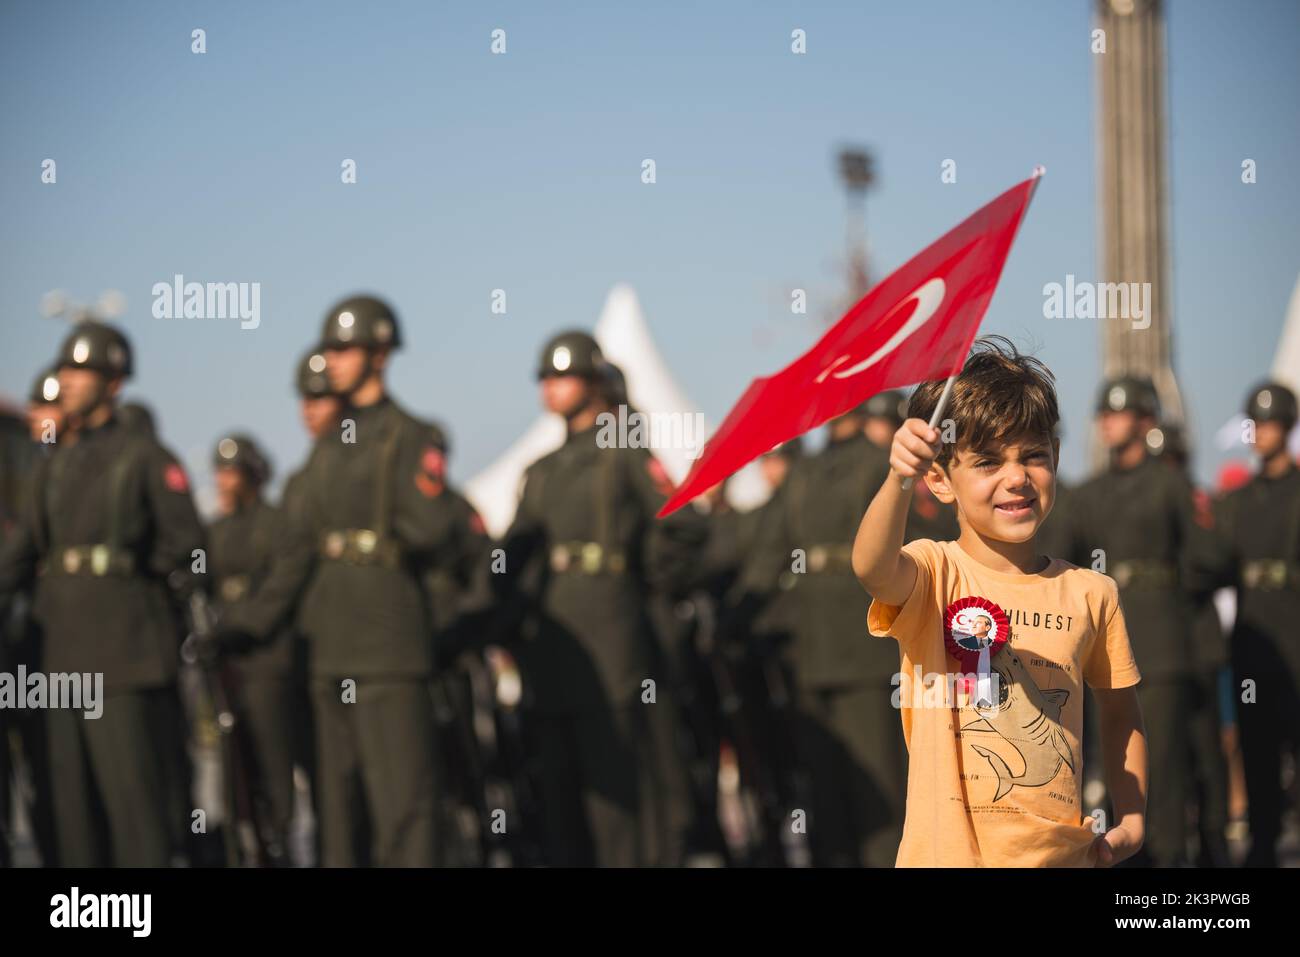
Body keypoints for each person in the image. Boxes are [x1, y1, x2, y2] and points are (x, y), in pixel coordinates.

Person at [852, 337, 1147, 867]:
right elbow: (873, 568)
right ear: (940, 479)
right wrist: (898, 477)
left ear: (1056, 457)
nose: (1016, 477)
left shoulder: (1093, 592)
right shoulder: (934, 573)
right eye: (987, 462)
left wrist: (1134, 822)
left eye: (1033, 455)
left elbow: (1121, 711)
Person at [218, 295, 466, 867]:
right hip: (328, 654)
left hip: (388, 651)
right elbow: (293, 554)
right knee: (339, 813)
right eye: (329, 347)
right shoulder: (325, 454)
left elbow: (436, 531)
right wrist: (245, 625)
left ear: (380, 354)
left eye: (344, 348)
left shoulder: (410, 436)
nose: (332, 359)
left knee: (404, 808)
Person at [494, 330, 706, 866]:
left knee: (616, 785)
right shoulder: (539, 472)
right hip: (554, 647)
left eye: (563, 376)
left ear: (591, 382)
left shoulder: (625, 452)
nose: (551, 387)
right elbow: (511, 560)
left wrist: (649, 584)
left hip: (615, 637)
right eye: (545, 378)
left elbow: (682, 526)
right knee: (561, 793)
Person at [0, 320, 205, 866]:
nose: (65, 379)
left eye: (79, 370)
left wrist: (135, 581)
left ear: (114, 382)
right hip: (59, 663)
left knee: (133, 810)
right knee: (72, 816)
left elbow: (189, 547)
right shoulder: (55, 468)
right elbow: (17, 559)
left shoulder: (145, 457)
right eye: (63, 368)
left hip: (124, 659)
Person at [734, 400, 901, 866]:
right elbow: (769, 556)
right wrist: (736, 616)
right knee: (824, 788)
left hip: (869, 647)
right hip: (813, 649)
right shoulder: (802, 475)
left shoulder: (882, 464)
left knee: (879, 787)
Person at [1064, 376, 1215, 867]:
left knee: (1163, 773)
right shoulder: (1086, 494)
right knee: (1113, 770)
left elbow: (1204, 558)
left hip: (1163, 645)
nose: (1109, 422)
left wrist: (1167, 591)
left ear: (1145, 419)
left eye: (1120, 413)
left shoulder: (1169, 484)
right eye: (1104, 414)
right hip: (1106, 648)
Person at [1211, 381, 1300, 866]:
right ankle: (1263, 842)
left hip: (1295, 637)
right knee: (1258, 745)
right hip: (1251, 641)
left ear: (1285, 428)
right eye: (1254, 424)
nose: (1258, 433)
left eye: (1266, 424)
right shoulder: (1236, 501)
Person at [206, 432, 296, 863]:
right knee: (233, 767)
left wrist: (242, 624)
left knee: (272, 759)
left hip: (266, 659)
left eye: (232, 472)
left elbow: (282, 587)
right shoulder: (215, 531)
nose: (224, 481)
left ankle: (279, 838)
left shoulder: (277, 524)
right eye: (220, 472)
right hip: (225, 663)